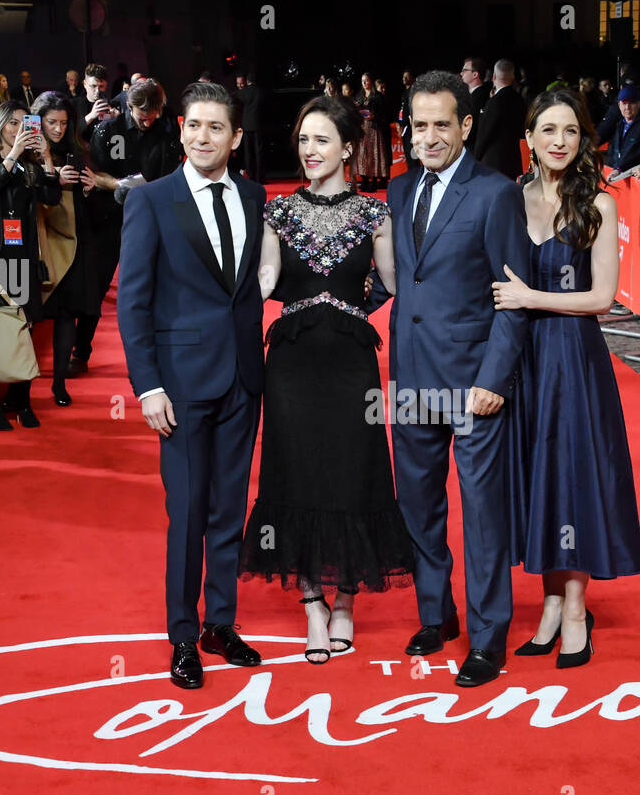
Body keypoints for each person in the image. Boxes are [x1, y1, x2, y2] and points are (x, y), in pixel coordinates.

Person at [368, 70, 531, 688]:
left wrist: (494, 377)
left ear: (466, 126)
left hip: (473, 384)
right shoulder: (401, 188)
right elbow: (403, 282)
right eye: (420, 124)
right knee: (418, 507)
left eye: (443, 123)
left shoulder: (494, 194)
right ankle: (436, 614)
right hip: (411, 380)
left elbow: (512, 298)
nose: (429, 136)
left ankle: (488, 639)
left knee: (483, 514)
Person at [238, 96, 415, 662]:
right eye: (303, 140)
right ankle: (313, 602)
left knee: (352, 472)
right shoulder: (277, 213)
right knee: (295, 472)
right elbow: (264, 281)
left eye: (321, 140)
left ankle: (344, 601)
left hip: (350, 364)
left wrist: (362, 306)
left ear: (347, 147)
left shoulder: (374, 213)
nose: (309, 151)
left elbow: (396, 282)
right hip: (290, 364)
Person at [117, 81, 267, 689]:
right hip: (178, 386)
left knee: (229, 509)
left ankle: (220, 623)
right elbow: (133, 302)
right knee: (187, 513)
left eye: (215, 128)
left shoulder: (254, 197)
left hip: (242, 380)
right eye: (193, 126)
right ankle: (183, 635)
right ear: (180, 130)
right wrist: (147, 385)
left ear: (234, 137)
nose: (202, 137)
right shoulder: (151, 201)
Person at [492, 88, 640, 668]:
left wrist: (533, 296)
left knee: (573, 475)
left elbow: (603, 297)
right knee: (538, 477)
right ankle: (550, 601)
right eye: (549, 130)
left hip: (573, 358)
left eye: (571, 132)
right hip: (521, 359)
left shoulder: (599, 204)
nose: (560, 142)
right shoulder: (511, 198)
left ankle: (576, 608)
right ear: (528, 138)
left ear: (584, 140)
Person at [0, 100, 61, 430]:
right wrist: (13, 154)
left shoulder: (31, 163)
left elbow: (51, 198)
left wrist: (46, 157)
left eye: (25, 123)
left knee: (25, 324)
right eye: (13, 124)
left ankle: (21, 398)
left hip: (23, 253)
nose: (20, 129)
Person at [85, 78, 181, 374]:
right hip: (109, 217)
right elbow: (92, 173)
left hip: (152, 220)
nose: (148, 122)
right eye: (143, 117)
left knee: (159, 287)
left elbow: (172, 174)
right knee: (97, 286)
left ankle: (160, 353)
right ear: (129, 106)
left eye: (154, 116)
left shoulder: (166, 130)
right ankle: (81, 347)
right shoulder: (107, 130)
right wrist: (123, 186)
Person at [32, 91, 100, 406]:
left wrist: (89, 187)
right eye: (52, 122)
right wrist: (49, 175)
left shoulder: (77, 149)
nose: (58, 129)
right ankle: (18, 383)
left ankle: (59, 383)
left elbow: (90, 197)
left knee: (67, 314)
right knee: (30, 314)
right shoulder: (26, 150)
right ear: (38, 121)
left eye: (63, 122)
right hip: (42, 235)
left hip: (77, 235)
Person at [474, 58, 528, 181]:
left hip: (493, 164)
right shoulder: (519, 100)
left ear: (494, 77)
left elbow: (484, 133)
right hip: (512, 161)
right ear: (513, 77)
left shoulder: (495, 102)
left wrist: (475, 158)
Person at [596, 86, 640, 177]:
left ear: (639, 104)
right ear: (619, 105)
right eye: (624, 103)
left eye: (631, 103)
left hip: (635, 178)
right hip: (614, 174)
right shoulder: (617, 124)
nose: (627, 107)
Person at [353, 72, 390, 191]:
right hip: (362, 129)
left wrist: (374, 116)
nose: (364, 83)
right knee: (362, 155)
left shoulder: (377, 96)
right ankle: (364, 180)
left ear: (371, 81)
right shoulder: (359, 95)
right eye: (362, 81)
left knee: (374, 155)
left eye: (366, 80)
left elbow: (384, 114)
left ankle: (373, 182)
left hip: (374, 128)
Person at [233, 71, 267, 183]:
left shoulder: (243, 92)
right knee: (259, 152)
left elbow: (234, 99)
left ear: (247, 81)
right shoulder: (261, 92)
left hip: (246, 126)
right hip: (258, 125)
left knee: (248, 152)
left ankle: (251, 177)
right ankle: (260, 177)